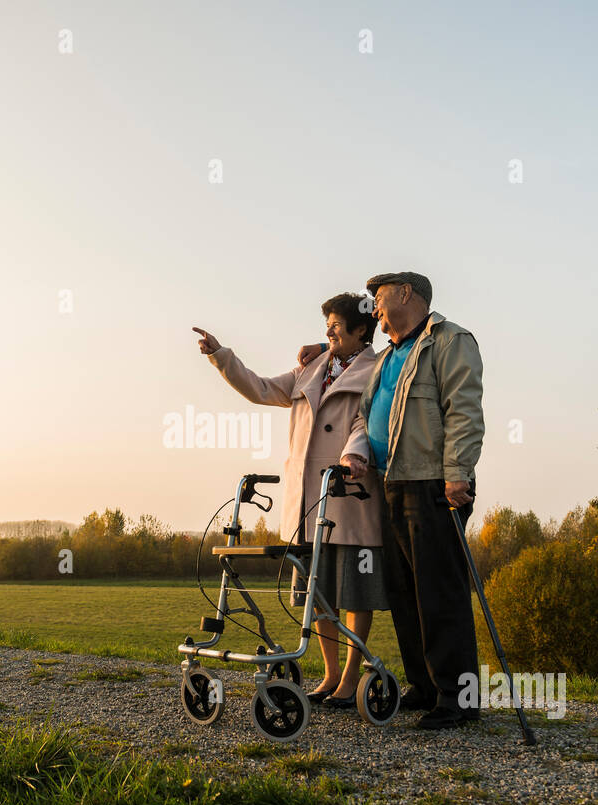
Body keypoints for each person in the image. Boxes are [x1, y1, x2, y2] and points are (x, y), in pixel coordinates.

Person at [298, 271, 484, 729]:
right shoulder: (389, 356)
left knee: (440, 591)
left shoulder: (448, 341)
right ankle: (425, 687)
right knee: (406, 593)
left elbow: (463, 407)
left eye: (378, 298)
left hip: (435, 483)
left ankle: (458, 700)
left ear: (406, 294)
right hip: (391, 484)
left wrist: (457, 473)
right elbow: (363, 406)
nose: (374, 307)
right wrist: (323, 351)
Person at [193, 293, 388, 707]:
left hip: (349, 496)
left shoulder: (377, 371)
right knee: (318, 596)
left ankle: (352, 677)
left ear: (360, 331)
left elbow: (365, 423)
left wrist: (354, 455)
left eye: (336, 325)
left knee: (352, 592)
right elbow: (261, 388)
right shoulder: (310, 370)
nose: (328, 331)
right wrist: (221, 355)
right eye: (328, 324)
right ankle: (331, 674)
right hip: (307, 504)